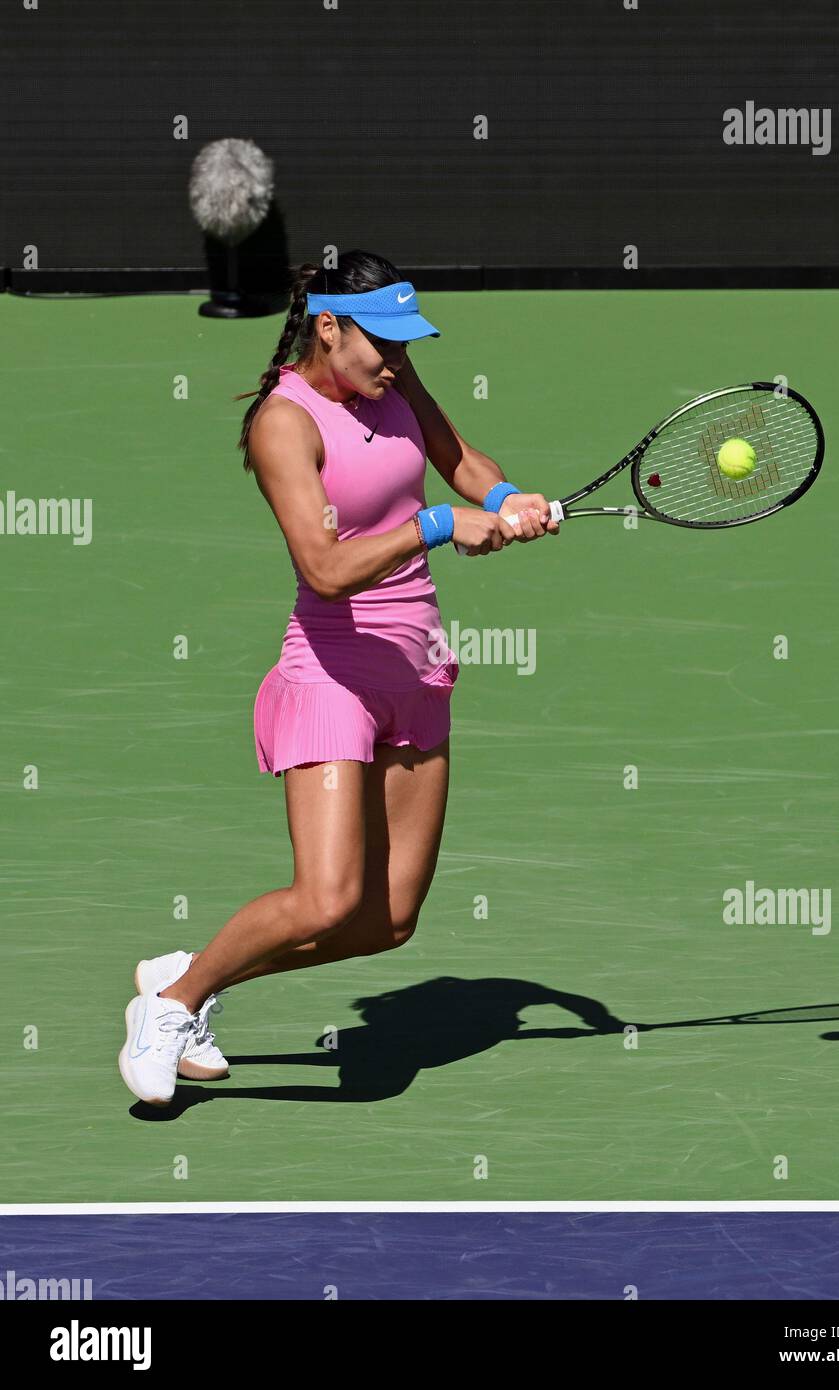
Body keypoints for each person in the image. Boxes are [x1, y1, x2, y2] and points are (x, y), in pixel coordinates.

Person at [119, 250, 558, 1105]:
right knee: (325, 897)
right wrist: (435, 524)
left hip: (417, 665)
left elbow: (456, 454)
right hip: (330, 672)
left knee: (389, 923)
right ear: (328, 325)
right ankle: (171, 1006)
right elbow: (323, 567)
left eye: (403, 346)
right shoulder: (283, 424)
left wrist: (505, 496)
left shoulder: (392, 375)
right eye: (380, 345)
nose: (393, 362)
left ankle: (199, 973)